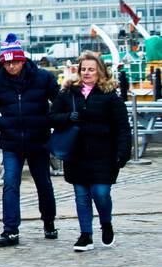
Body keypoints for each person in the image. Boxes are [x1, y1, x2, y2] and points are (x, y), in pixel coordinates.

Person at [0, 32, 60, 247]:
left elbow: (59, 100)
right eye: (7, 64)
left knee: (43, 184)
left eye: (15, 62)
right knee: (10, 184)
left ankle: (49, 222)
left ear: (22, 60)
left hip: (38, 140)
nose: (11, 67)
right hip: (12, 142)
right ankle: (10, 230)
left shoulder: (43, 78)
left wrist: (53, 120)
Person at [49, 51, 131, 251]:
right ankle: (86, 235)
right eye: (83, 69)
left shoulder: (110, 96)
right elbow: (51, 117)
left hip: (104, 154)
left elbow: (122, 127)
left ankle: (106, 222)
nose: (86, 73)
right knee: (81, 195)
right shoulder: (68, 93)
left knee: (100, 193)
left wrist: (123, 152)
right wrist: (68, 117)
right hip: (76, 154)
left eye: (91, 69)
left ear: (100, 72)